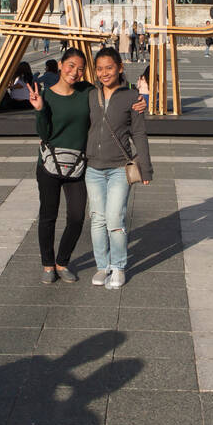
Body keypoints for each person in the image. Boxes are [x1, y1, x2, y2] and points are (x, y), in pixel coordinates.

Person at [26, 47, 146, 285]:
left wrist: (139, 99)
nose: (75, 72)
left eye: (80, 68)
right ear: (60, 65)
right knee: (48, 216)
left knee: (77, 216)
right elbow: (44, 134)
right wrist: (40, 110)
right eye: (70, 65)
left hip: (78, 166)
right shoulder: (46, 95)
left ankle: (62, 261)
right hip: (49, 165)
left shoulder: (87, 92)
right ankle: (48, 265)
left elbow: (114, 93)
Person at [85, 47, 153, 290]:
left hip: (118, 169)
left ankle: (119, 266)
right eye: (100, 68)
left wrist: (145, 167)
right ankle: (102, 265)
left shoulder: (131, 97)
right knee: (97, 219)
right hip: (92, 167)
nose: (104, 73)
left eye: (109, 68)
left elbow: (139, 134)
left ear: (120, 68)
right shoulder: (90, 95)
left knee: (115, 217)